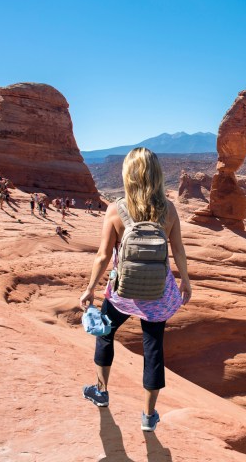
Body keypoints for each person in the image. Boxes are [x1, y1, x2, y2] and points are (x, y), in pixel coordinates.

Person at [79, 148, 192, 433]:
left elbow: (103, 255)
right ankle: (148, 416)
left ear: (128, 174)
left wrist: (90, 288)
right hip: (158, 293)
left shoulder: (116, 209)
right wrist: (185, 281)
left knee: (105, 335)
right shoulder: (169, 209)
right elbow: (177, 249)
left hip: (121, 292)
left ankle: (101, 392)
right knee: (154, 349)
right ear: (156, 174)